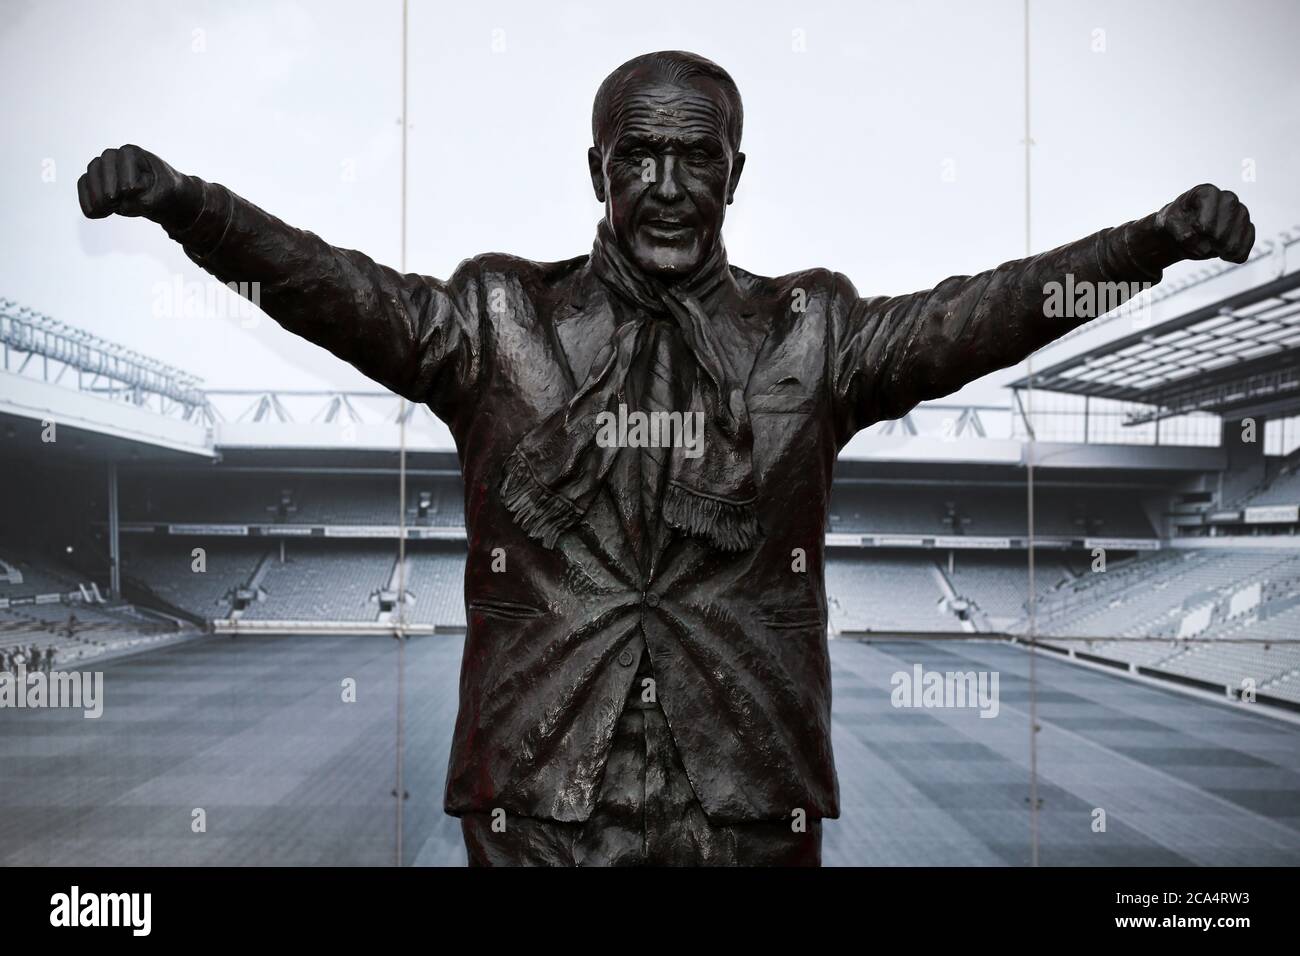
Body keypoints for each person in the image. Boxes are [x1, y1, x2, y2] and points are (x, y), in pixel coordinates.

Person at [77, 50, 1253, 865]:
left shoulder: (813, 331)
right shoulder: (496, 319)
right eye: (639, 157)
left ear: (738, 173)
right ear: (596, 171)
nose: (668, 187)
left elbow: (980, 314)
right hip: (538, 795)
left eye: (698, 160)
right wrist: (192, 208)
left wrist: (1145, 245)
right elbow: (332, 289)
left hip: (745, 800)